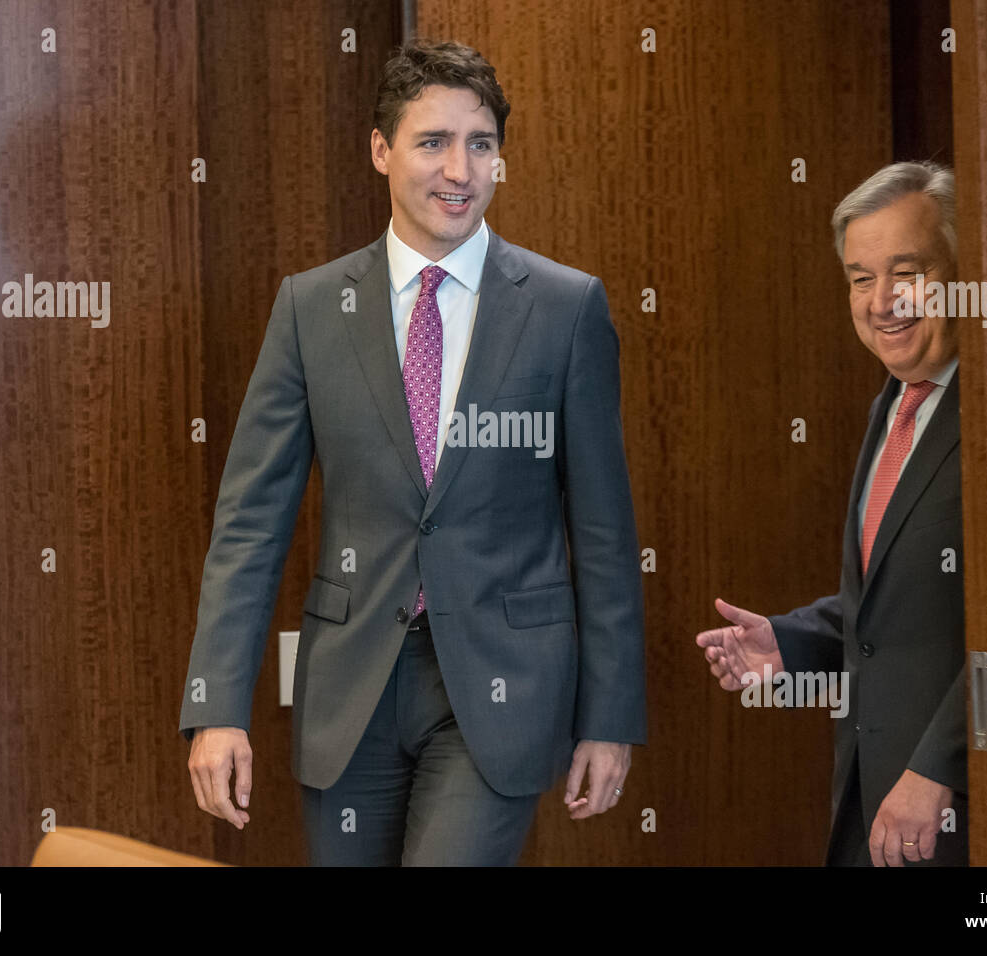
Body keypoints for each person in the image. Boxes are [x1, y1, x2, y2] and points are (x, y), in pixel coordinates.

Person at [178, 39, 646, 866]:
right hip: (349, 692)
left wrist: (609, 718)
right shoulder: (311, 307)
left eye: (481, 144)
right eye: (433, 142)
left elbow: (605, 532)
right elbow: (250, 521)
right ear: (381, 149)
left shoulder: (567, 309)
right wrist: (217, 706)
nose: (459, 170)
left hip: (501, 690)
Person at [696, 161, 968, 866]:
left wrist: (941, 767)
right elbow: (893, 606)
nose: (883, 301)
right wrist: (789, 642)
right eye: (859, 277)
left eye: (906, 271)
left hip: (964, 811)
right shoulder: (895, 403)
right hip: (869, 802)